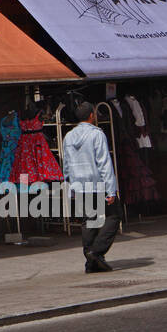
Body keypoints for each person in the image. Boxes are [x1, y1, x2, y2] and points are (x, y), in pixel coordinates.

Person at [62, 101, 119, 273]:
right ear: (92, 116)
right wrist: (111, 189)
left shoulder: (69, 136)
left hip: (79, 185)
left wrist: (69, 186)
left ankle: (90, 260)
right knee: (114, 216)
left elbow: (66, 164)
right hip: (96, 184)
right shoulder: (97, 134)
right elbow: (104, 163)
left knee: (89, 221)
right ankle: (97, 252)